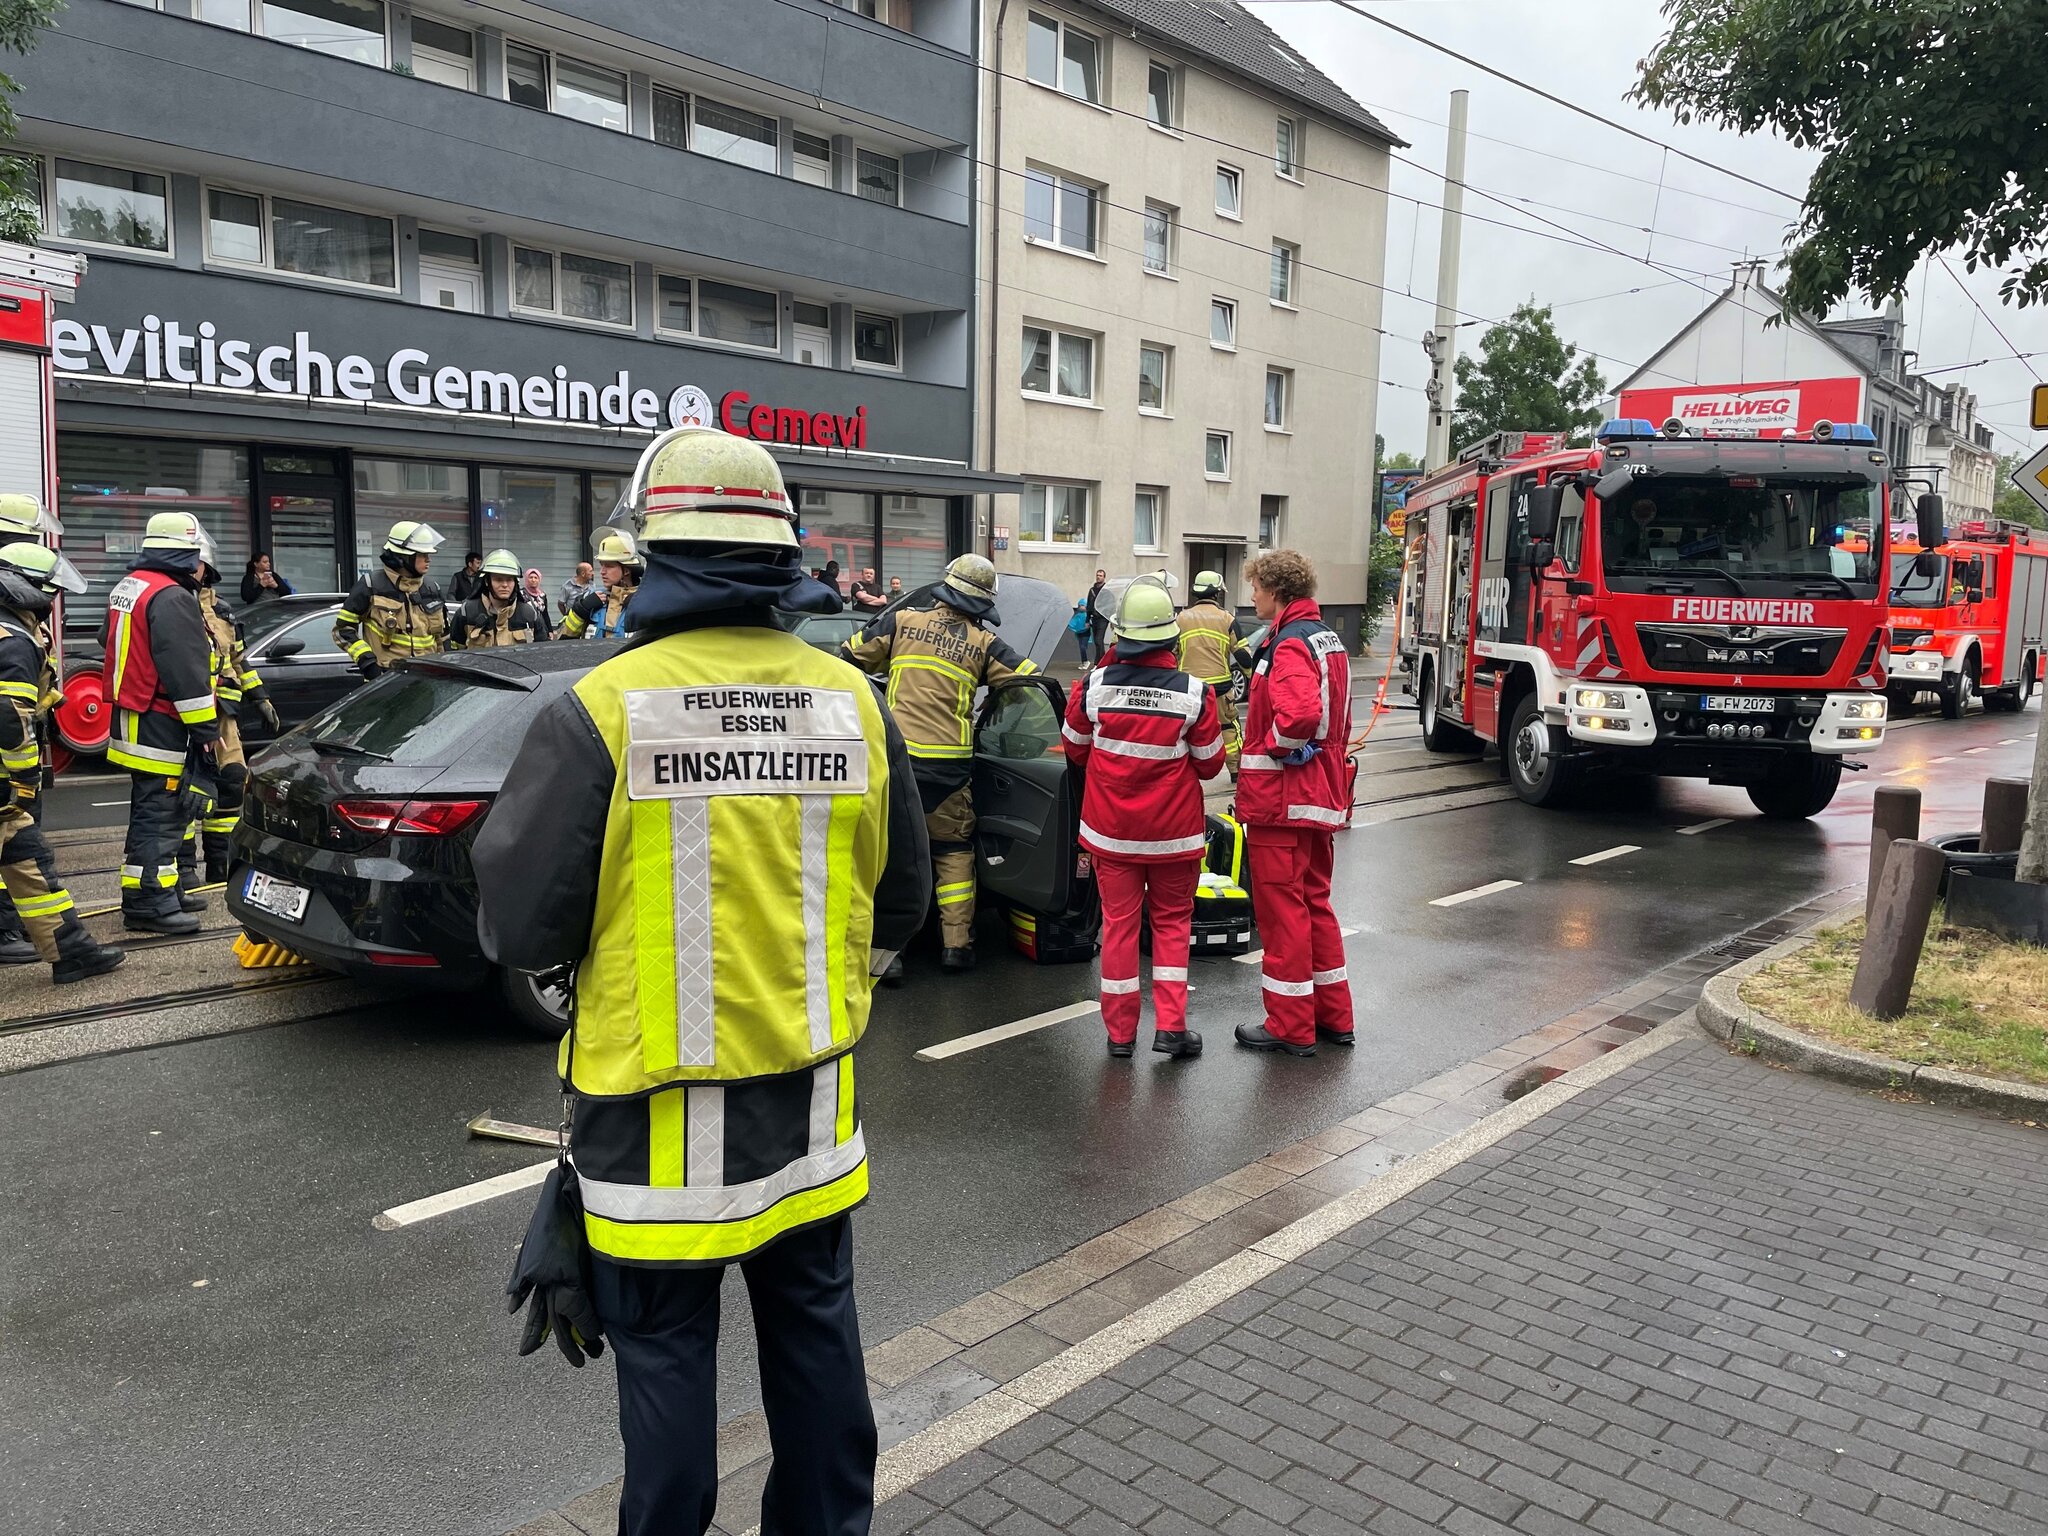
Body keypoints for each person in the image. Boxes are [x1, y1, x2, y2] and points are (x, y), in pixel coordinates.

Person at [474, 424, 929, 1536]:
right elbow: (902, 902)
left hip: (648, 1130)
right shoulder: (852, 702)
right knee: (820, 1368)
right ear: (783, 561)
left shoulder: (599, 707)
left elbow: (519, 927)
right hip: (811, 1117)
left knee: (667, 1385)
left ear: (651, 557)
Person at [843, 553, 1035, 971]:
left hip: (899, 764)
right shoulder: (985, 643)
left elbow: (849, 659)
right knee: (952, 852)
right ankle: (956, 946)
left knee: (893, 854)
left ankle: (889, 955)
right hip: (950, 769)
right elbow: (1029, 684)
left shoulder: (903, 622)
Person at [1064, 575, 1222, 1059]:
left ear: (1120, 636)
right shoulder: (1195, 694)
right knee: (1173, 926)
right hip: (1174, 838)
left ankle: (1119, 1035)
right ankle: (1171, 1028)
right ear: (1170, 637)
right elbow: (1211, 763)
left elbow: (1074, 749)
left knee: (1119, 927)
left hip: (1112, 837)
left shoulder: (1093, 686)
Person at [1233, 549, 1354, 1056]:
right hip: (1320, 798)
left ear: (1276, 589)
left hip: (1284, 800)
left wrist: (1275, 746)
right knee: (1315, 905)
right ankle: (1333, 1016)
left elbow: (1299, 716)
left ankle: (1289, 1025)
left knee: (1283, 913)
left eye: (1256, 586)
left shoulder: (1288, 644)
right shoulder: (1326, 637)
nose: (1252, 595)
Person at [0, 541, 125, 983]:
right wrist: (23, 777)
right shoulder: (14, 641)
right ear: (23, 588)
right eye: (47, 590)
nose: (52, 600)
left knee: (28, 862)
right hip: (3, 786)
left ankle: (70, 949)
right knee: (28, 859)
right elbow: (9, 718)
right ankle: (71, 950)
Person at [102, 511, 220, 935]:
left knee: (154, 808)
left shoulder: (131, 587)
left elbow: (108, 640)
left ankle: (161, 889)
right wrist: (207, 733)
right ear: (188, 555)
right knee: (163, 812)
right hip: (160, 722)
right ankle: (150, 901)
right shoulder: (171, 597)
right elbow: (187, 672)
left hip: (134, 717)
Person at [185, 536, 279, 888]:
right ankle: (183, 872)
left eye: (195, 562)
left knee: (232, 783)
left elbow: (238, 660)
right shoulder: (173, 604)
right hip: (185, 715)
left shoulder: (222, 610)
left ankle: (218, 867)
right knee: (186, 794)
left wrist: (260, 697)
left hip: (223, 715)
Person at [334, 522, 448, 676]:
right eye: (422, 555)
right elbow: (342, 630)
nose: (428, 560)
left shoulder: (431, 588)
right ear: (403, 557)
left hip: (426, 680)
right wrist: (367, 661)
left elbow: (443, 637)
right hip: (386, 679)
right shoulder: (371, 585)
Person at [1176, 570, 1246, 769]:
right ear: (1217, 593)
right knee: (1228, 728)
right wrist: (1254, 680)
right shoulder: (1227, 619)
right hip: (1221, 689)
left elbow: (1170, 653)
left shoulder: (1181, 618)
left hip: (1188, 687)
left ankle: (1187, 768)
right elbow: (1243, 656)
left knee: (1185, 728)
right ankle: (1235, 769)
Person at [452, 549, 544, 648]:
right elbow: (455, 652)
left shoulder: (529, 614)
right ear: (487, 582)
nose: (505, 585)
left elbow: (541, 653)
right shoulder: (467, 612)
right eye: (498, 579)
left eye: (509, 580)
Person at [559, 529, 643, 638]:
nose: (602, 571)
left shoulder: (645, 601)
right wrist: (580, 611)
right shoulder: (589, 597)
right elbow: (564, 639)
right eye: (602, 565)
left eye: (608, 566)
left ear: (626, 570)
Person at [521, 567, 554, 634]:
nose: (533, 580)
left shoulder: (542, 595)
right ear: (526, 579)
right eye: (531, 577)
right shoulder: (521, 594)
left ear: (539, 580)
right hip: (527, 631)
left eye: (536, 578)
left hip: (542, 631)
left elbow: (545, 614)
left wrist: (550, 631)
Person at [1086, 567, 1110, 659]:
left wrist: (1110, 618)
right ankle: (1103, 660)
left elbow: (1110, 604)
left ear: (1104, 577)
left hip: (1103, 618)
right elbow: (1089, 605)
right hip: (1094, 618)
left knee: (1098, 640)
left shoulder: (1106, 590)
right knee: (1096, 641)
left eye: (1100, 575)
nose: (1098, 577)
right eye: (1097, 575)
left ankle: (1098, 662)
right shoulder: (1092, 590)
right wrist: (1087, 620)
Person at [1068, 599, 1095, 668]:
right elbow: (1073, 623)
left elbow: (1091, 622)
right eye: (1079, 605)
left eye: (1082, 605)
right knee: (1081, 648)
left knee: (1083, 647)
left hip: (1086, 633)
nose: (1080, 607)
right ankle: (1083, 662)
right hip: (1079, 633)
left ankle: (1086, 661)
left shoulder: (1087, 615)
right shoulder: (1078, 615)